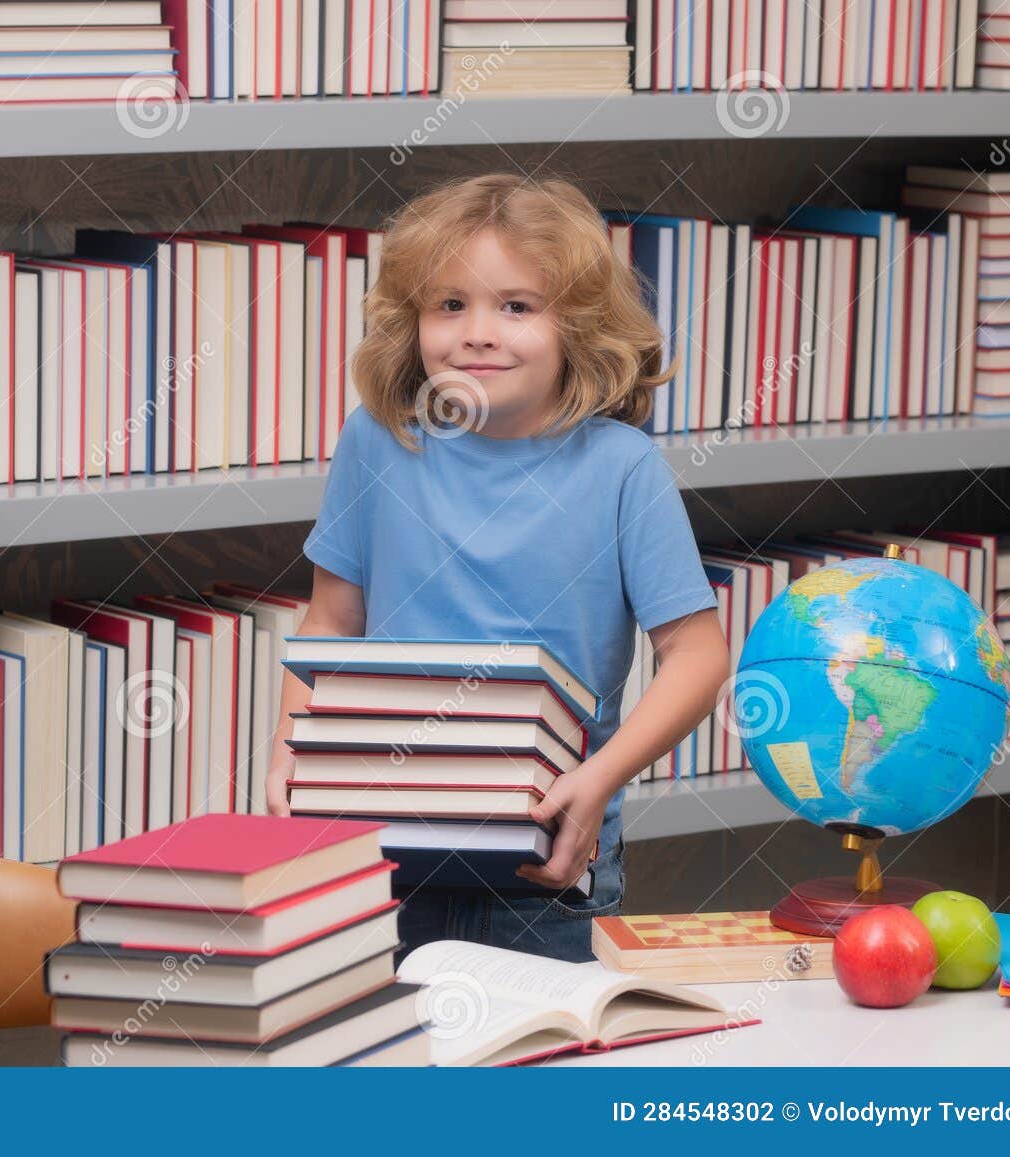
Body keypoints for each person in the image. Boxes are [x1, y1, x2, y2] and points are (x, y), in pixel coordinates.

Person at [266, 172, 731, 964]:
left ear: (577, 326)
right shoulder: (378, 441)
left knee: (535, 1070)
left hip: (546, 860)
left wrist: (601, 780)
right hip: (380, 849)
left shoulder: (623, 467)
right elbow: (332, 620)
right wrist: (291, 744)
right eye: (450, 305)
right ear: (411, 319)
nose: (477, 332)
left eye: (516, 306)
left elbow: (698, 654)